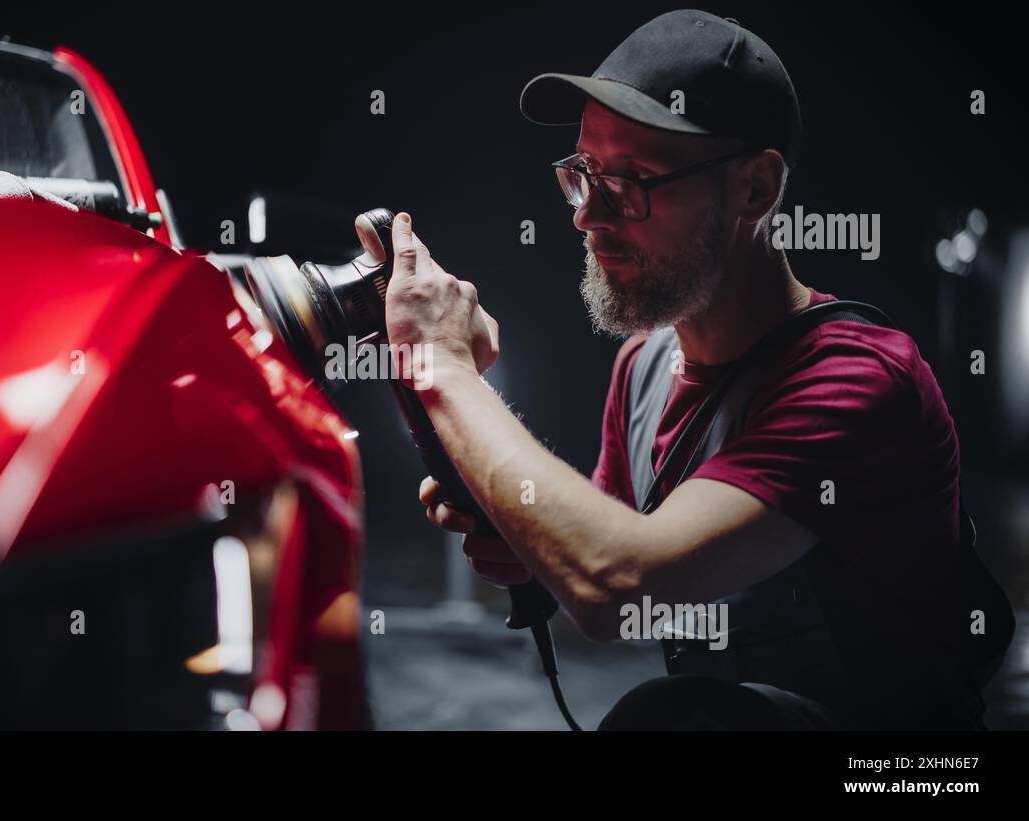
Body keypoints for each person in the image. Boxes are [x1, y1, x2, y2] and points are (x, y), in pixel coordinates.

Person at [386, 9, 981, 729]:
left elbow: (616, 582)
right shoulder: (644, 366)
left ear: (755, 190)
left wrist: (447, 366)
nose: (589, 216)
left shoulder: (856, 380)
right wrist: (523, 535)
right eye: (585, 173)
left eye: (634, 179)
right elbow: (589, 554)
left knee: (668, 717)